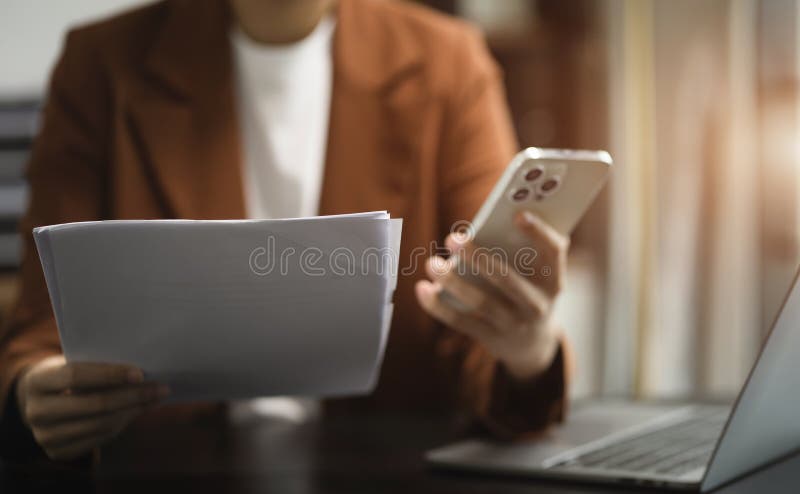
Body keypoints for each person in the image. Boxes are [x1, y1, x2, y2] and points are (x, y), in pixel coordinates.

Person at [0, 0, 571, 462]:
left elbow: (478, 333)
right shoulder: (101, 62)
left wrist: (527, 350)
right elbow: (41, 327)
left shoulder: (449, 61)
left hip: (385, 466)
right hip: (167, 463)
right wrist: (42, 387)